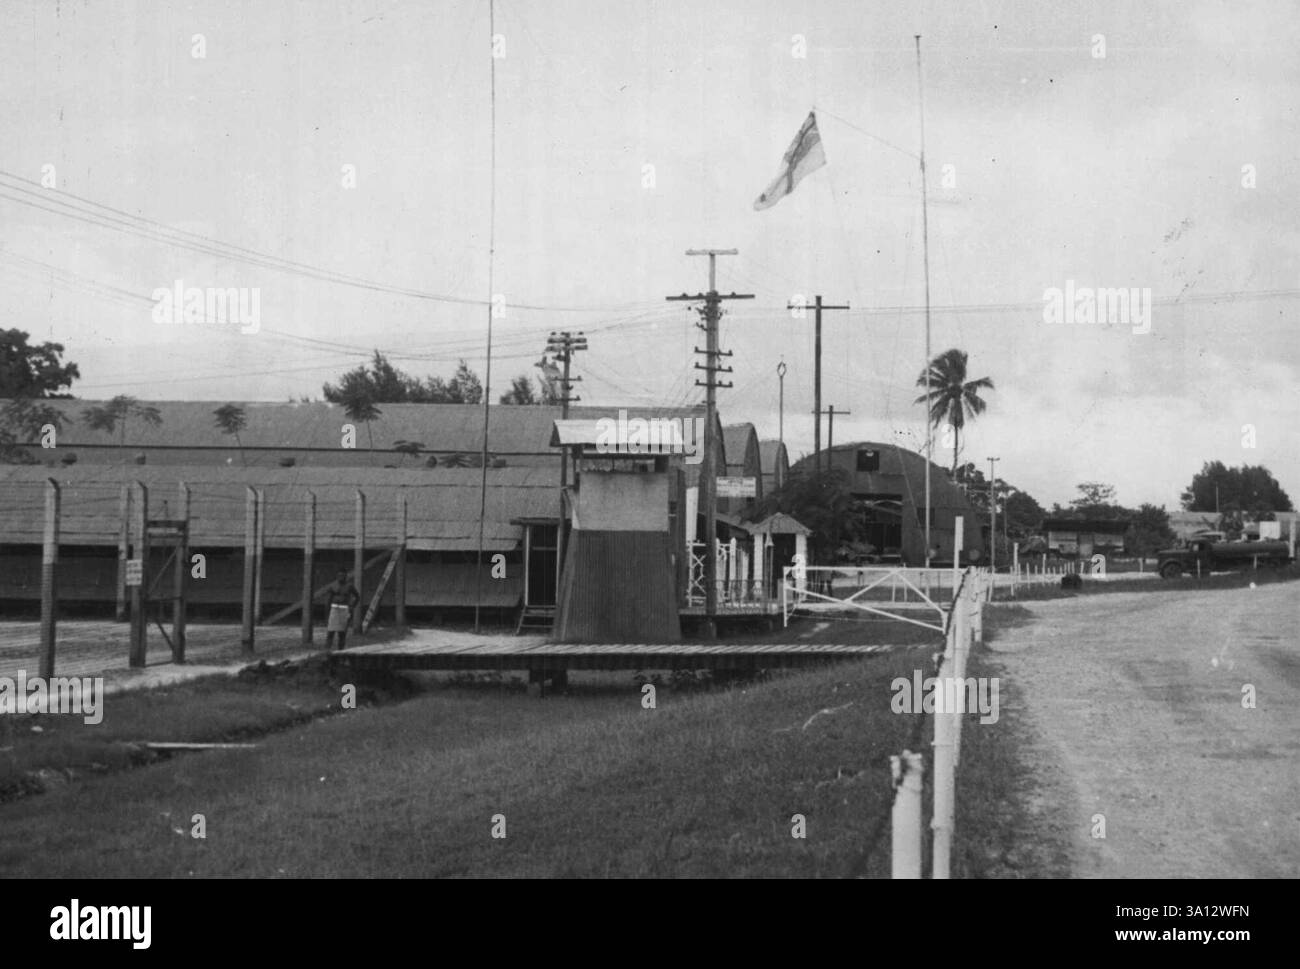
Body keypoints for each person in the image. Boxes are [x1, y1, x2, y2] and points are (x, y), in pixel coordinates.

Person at [324, 569, 360, 651]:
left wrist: (352, 606)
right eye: (339, 576)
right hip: (334, 609)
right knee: (330, 632)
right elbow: (328, 601)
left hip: (344, 610)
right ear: (337, 576)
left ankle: (341, 652)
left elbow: (357, 597)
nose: (341, 577)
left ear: (346, 576)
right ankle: (326, 652)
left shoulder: (349, 586)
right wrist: (327, 615)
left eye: (343, 576)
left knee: (342, 633)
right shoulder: (333, 586)